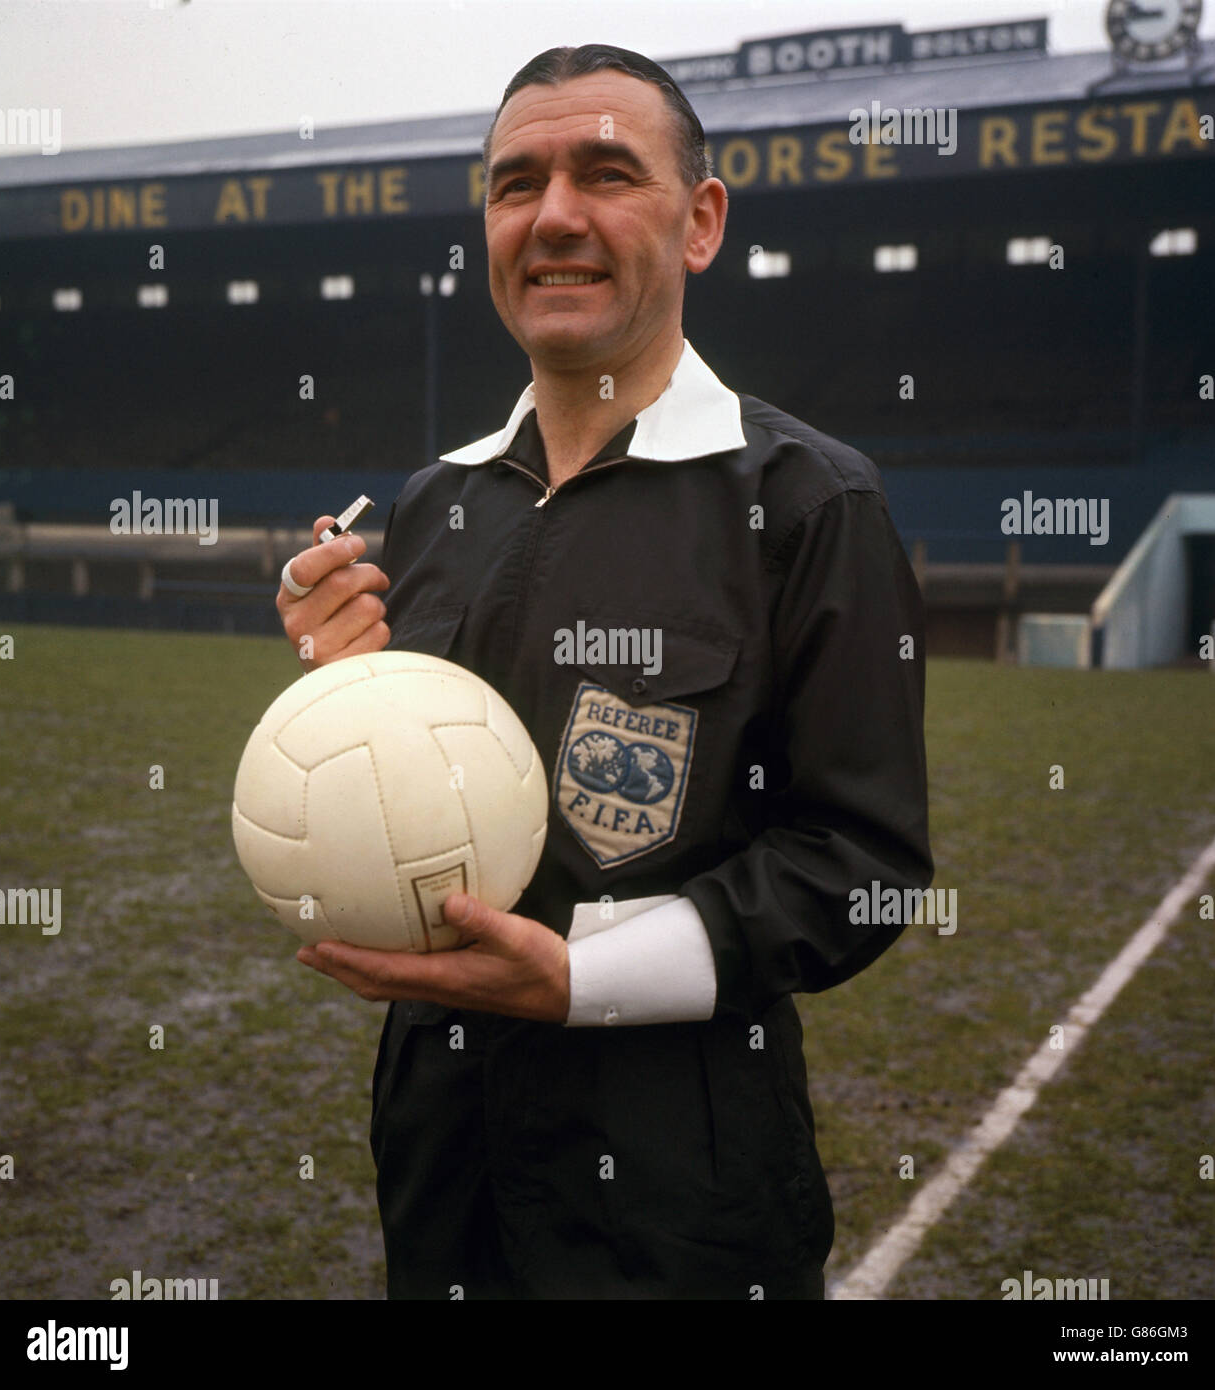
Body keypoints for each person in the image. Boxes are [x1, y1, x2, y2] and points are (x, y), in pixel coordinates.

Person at [276, 44, 932, 1300]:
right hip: (439, 1155)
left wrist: (581, 979)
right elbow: (427, 796)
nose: (554, 215)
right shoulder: (432, 505)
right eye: (516, 184)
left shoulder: (808, 501)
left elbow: (862, 867)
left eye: (605, 173)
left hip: (683, 1191)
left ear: (699, 223)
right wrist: (334, 689)